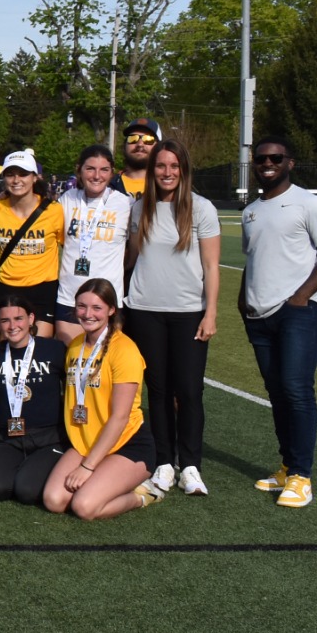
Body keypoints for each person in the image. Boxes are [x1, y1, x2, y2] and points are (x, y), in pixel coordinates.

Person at [239, 136, 317, 509]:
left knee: (296, 389)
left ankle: (302, 475)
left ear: (290, 163)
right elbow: (254, 259)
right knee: (277, 392)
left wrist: (301, 296)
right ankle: (286, 466)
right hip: (259, 316)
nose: (267, 163)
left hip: (298, 314)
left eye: (275, 158)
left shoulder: (308, 203)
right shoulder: (251, 210)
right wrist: (243, 301)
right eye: (261, 158)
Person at [125, 138, 221, 496]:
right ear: (153, 171)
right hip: (145, 311)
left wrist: (210, 313)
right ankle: (164, 462)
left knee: (190, 391)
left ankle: (190, 465)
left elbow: (211, 266)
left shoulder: (202, 209)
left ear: (184, 170)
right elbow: (133, 258)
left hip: (187, 313)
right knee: (159, 390)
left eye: (174, 166)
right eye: (161, 166)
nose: (167, 172)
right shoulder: (140, 209)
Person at [41, 279, 162, 519]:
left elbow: (120, 417)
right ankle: (105, 478)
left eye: (97, 308)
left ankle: (143, 495)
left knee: (84, 506)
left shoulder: (125, 350)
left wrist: (87, 467)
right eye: (82, 306)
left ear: (111, 310)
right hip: (86, 440)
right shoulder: (75, 346)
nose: (88, 314)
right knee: (54, 500)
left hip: (126, 443)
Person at [0, 297, 68, 505]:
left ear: (31, 319)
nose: (12, 326)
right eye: (5, 320)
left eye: (18, 318)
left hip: (49, 437)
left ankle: (41, 466)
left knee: (27, 491)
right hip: (9, 437)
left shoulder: (54, 349)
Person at [0, 149, 66, 338]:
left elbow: (67, 246)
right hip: (7, 288)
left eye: (23, 174)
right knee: (8, 353)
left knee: (38, 354)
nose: (16, 179)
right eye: (10, 174)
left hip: (43, 289)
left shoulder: (54, 211)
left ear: (35, 177)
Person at [53, 145, 131, 344]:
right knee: (70, 365)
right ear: (79, 170)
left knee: (101, 368)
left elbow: (135, 248)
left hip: (107, 301)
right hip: (70, 297)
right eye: (90, 169)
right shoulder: (67, 200)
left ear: (112, 172)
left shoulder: (125, 204)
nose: (97, 176)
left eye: (104, 170)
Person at [118, 118, 160, 197]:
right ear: (124, 145)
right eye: (133, 138)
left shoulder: (165, 189)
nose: (140, 144)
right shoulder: (107, 187)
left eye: (148, 139)